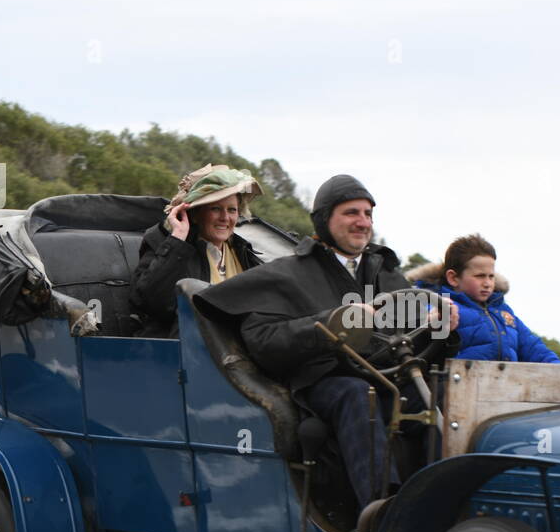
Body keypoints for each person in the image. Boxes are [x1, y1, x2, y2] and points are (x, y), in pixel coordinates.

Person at [194, 173, 458, 509]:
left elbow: (411, 340)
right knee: (359, 395)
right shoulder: (288, 274)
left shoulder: (384, 271)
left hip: (387, 374)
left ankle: (447, 501)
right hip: (325, 381)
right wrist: (331, 325)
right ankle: (382, 512)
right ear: (324, 219)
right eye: (351, 213)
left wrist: (442, 329)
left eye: (368, 214)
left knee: (443, 390)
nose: (362, 222)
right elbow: (265, 342)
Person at [130, 165, 264, 337]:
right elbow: (151, 303)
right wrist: (178, 238)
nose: (225, 218)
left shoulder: (242, 251)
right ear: (194, 214)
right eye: (215, 208)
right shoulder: (165, 243)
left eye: (232, 210)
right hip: (183, 351)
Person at [409, 233, 560, 364]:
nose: (488, 283)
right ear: (453, 278)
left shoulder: (503, 312)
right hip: (456, 390)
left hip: (503, 391)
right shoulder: (438, 304)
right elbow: (432, 321)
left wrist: (559, 370)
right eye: (480, 276)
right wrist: (439, 316)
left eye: (491, 276)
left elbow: (533, 348)